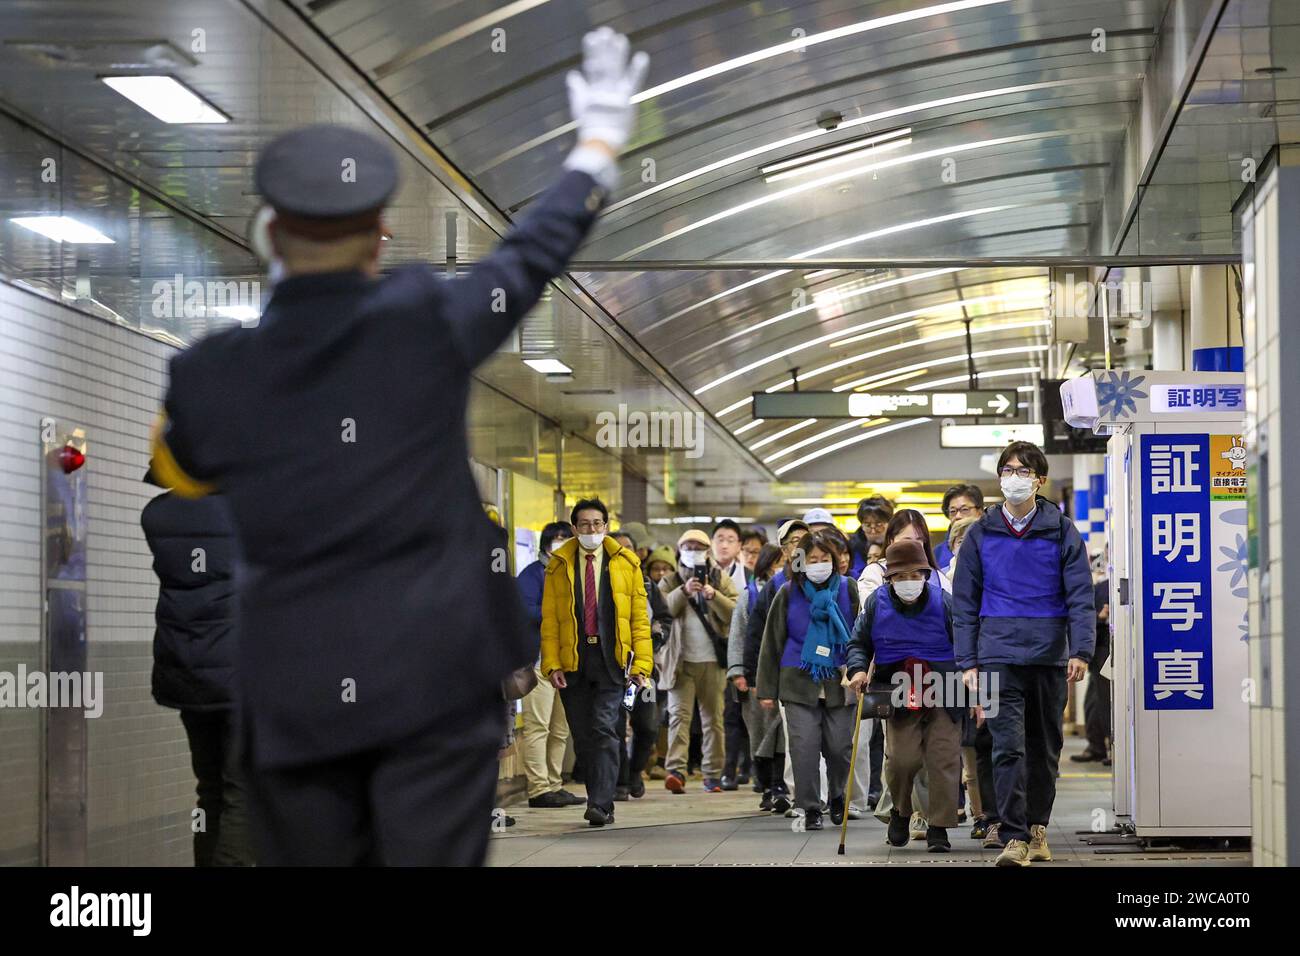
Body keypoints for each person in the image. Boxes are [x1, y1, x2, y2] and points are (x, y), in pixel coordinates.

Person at [147, 30, 648, 864]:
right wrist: (595, 149)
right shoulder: (420, 321)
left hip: (294, 692)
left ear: (268, 232)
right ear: (382, 231)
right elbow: (528, 258)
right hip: (435, 685)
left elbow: (183, 471)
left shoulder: (211, 375)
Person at [953, 441, 1095, 866]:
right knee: (1006, 746)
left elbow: (1081, 596)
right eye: (1008, 470)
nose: (1014, 477)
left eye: (1023, 470)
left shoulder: (1061, 529)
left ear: (1040, 480)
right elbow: (964, 602)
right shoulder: (982, 532)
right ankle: (1014, 835)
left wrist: (1081, 650)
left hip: (1050, 654)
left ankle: (1037, 828)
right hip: (997, 653)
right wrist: (968, 661)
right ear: (1000, 478)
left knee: (1045, 746)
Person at [142, 467, 253, 867]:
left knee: (208, 791)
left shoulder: (156, 514)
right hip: (242, 675)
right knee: (242, 793)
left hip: (187, 674)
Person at [540, 498, 652, 826]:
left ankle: (601, 804)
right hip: (574, 659)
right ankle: (599, 798)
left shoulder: (625, 562)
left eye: (598, 524)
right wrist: (552, 664)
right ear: (574, 528)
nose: (592, 530)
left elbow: (639, 620)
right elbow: (550, 620)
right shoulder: (558, 563)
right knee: (584, 736)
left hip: (611, 659)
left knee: (605, 728)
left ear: (606, 525)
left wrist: (641, 664)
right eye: (585, 524)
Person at [848, 539, 963, 852]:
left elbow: (966, 644)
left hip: (945, 687)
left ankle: (939, 826)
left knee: (943, 758)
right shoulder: (875, 603)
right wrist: (858, 671)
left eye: (915, 575)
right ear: (890, 579)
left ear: (925, 575)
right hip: (899, 691)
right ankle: (900, 811)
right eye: (901, 577)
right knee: (902, 759)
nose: (909, 582)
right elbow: (858, 643)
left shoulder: (945, 601)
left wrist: (974, 681)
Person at [757, 531, 860, 830]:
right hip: (797, 682)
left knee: (840, 748)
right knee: (803, 750)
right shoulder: (788, 592)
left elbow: (860, 633)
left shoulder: (847, 589)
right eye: (811, 559)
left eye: (824, 558)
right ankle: (811, 807)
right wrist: (766, 689)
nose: (818, 564)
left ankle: (839, 796)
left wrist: (861, 669)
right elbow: (771, 643)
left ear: (835, 560)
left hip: (839, 682)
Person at [658, 529, 738, 793]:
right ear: (680, 549)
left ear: (707, 551)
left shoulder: (719, 578)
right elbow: (660, 611)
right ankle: (676, 771)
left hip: (712, 661)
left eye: (699, 546)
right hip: (679, 661)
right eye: (688, 546)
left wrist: (713, 596)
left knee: (713, 720)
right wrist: (684, 592)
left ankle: (712, 774)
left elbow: (735, 613)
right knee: (678, 718)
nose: (694, 550)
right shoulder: (671, 580)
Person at [515, 521, 584, 809]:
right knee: (538, 727)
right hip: (538, 662)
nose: (560, 543)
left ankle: (555, 784)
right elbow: (525, 610)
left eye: (565, 538)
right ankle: (538, 788)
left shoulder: (575, 572)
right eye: (555, 539)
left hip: (566, 663)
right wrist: (560, 613)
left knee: (560, 729)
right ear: (545, 543)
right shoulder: (532, 573)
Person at [728, 542, 789, 811]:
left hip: (784, 673)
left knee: (782, 733)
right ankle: (765, 785)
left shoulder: (791, 592)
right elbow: (739, 636)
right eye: (775, 563)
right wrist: (738, 672)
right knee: (760, 734)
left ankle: (780, 785)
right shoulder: (749, 596)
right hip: (755, 676)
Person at [946, 514, 994, 840]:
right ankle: (970, 811)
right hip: (952, 673)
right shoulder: (940, 581)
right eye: (959, 541)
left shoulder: (990, 578)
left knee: (982, 745)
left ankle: (986, 815)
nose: (965, 547)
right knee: (962, 745)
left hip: (986, 668)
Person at [1072, 562, 1112, 765]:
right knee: (1094, 701)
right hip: (1099, 652)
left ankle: (1109, 746)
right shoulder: (1099, 588)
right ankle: (1097, 745)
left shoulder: (1126, 585)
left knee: (1105, 702)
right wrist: (1101, 616)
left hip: (1109, 651)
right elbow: (1086, 617)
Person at [935, 484, 985, 573]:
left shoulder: (992, 544)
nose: (958, 516)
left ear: (980, 511)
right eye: (953, 511)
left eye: (964, 509)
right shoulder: (937, 553)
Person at [848, 495, 894, 577]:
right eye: (868, 525)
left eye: (879, 525)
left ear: (889, 523)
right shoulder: (853, 547)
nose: (873, 531)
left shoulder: (897, 543)